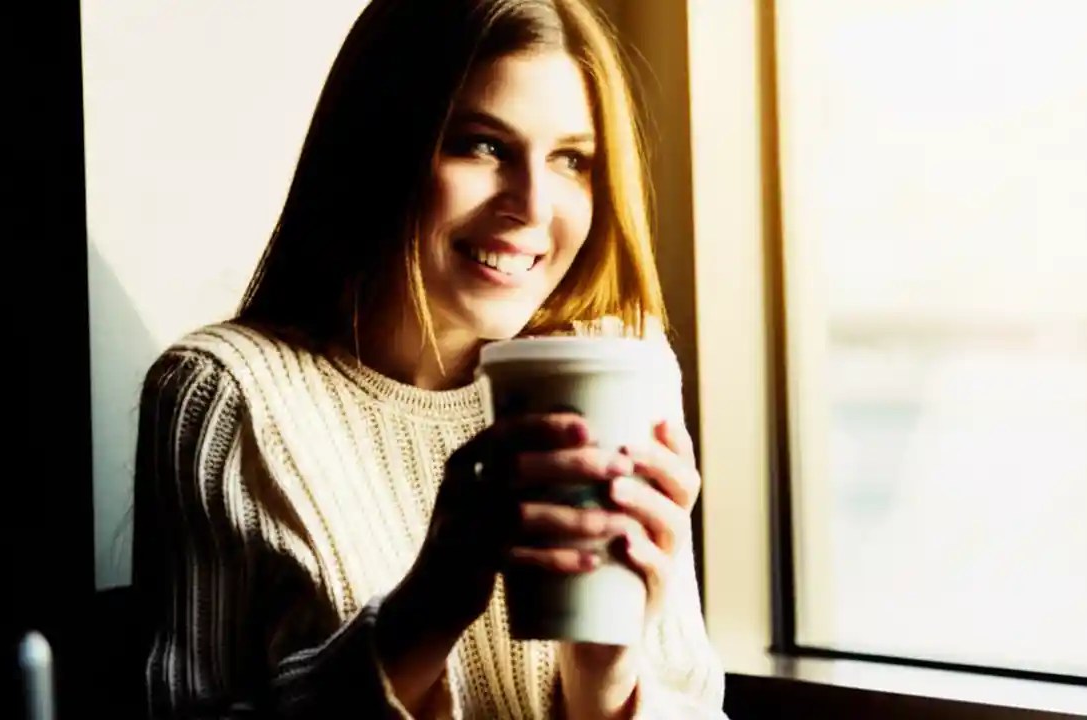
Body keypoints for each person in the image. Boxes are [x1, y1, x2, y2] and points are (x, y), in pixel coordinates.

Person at [132, 0, 726, 717]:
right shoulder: (226, 394)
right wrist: (430, 605)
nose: (532, 206)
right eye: (481, 145)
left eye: (572, 159)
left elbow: (695, 699)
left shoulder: (621, 365)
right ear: (379, 148)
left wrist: (606, 674)